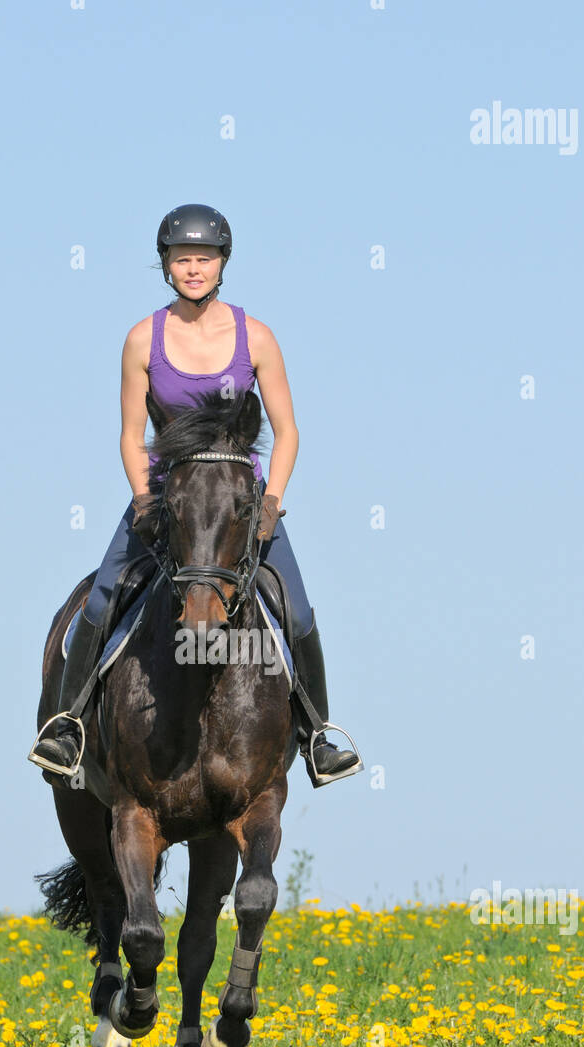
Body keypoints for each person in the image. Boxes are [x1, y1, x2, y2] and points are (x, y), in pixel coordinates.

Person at [30, 203, 362, 788]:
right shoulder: (142, 340)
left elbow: (288, 432)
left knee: (297, 609)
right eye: (182, 259)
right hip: (167, 503)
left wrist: (270, 502)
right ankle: (68, 726)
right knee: (102, 598)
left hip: (240, 507)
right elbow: (131, 435)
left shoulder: (257, 338)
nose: (193, 269)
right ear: (166, 266)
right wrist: (144, 499)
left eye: (204, 259)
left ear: (222, 264)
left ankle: (318, 736)